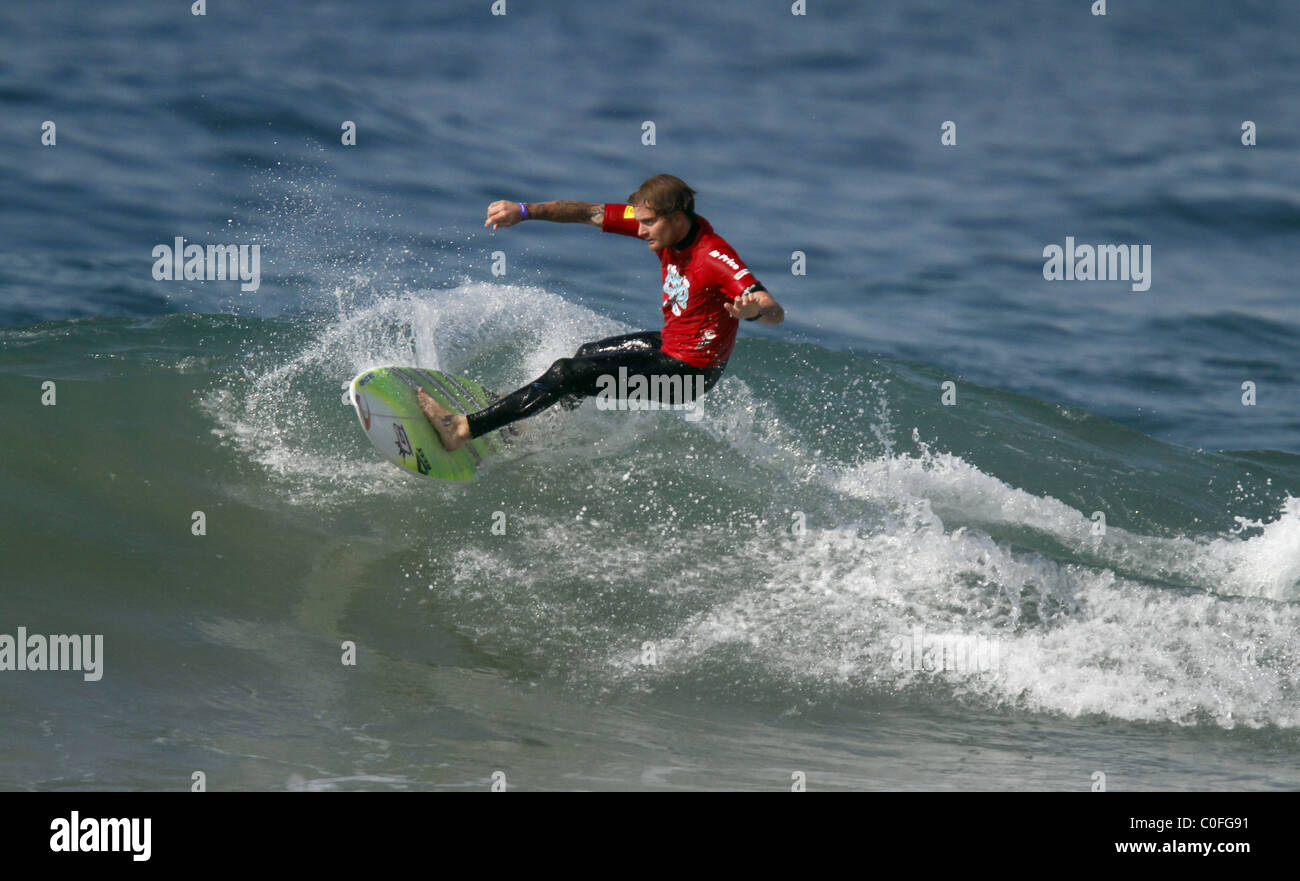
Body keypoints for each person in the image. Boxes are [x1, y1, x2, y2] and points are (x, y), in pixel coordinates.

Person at [417, 174, 784, 450]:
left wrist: (752, 312)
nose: (639, 231)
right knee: (587, 356)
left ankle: (462, 429)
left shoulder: (713, 257)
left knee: (566, 372)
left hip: (687, 376)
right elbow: (587, 213)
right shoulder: (660, 226)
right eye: (638, 221)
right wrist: (525, 211)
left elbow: (773, 311)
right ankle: (526, 428)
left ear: (676, 218)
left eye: (648, 223)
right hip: (672, 346)